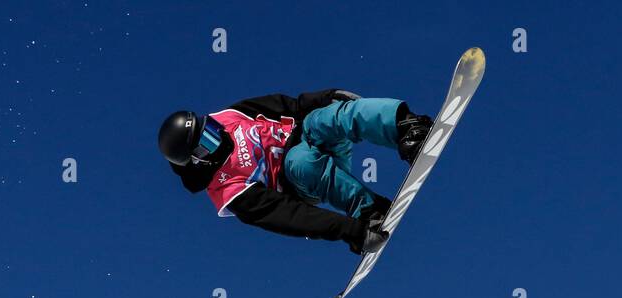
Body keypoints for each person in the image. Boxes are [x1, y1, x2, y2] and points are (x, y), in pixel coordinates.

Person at [157, 90, 432, 255]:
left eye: (210, 131)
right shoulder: (228, 188)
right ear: (197, 160)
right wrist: (352, 231)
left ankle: (407, 127)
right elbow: (290, 216)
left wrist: (327, 96)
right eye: (206, 145)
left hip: (310, 133)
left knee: (326, 116)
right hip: (303, 179)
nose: (216, 138)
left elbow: (284, 104)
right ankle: (369, 209)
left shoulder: (228, 117)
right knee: (299, 162)